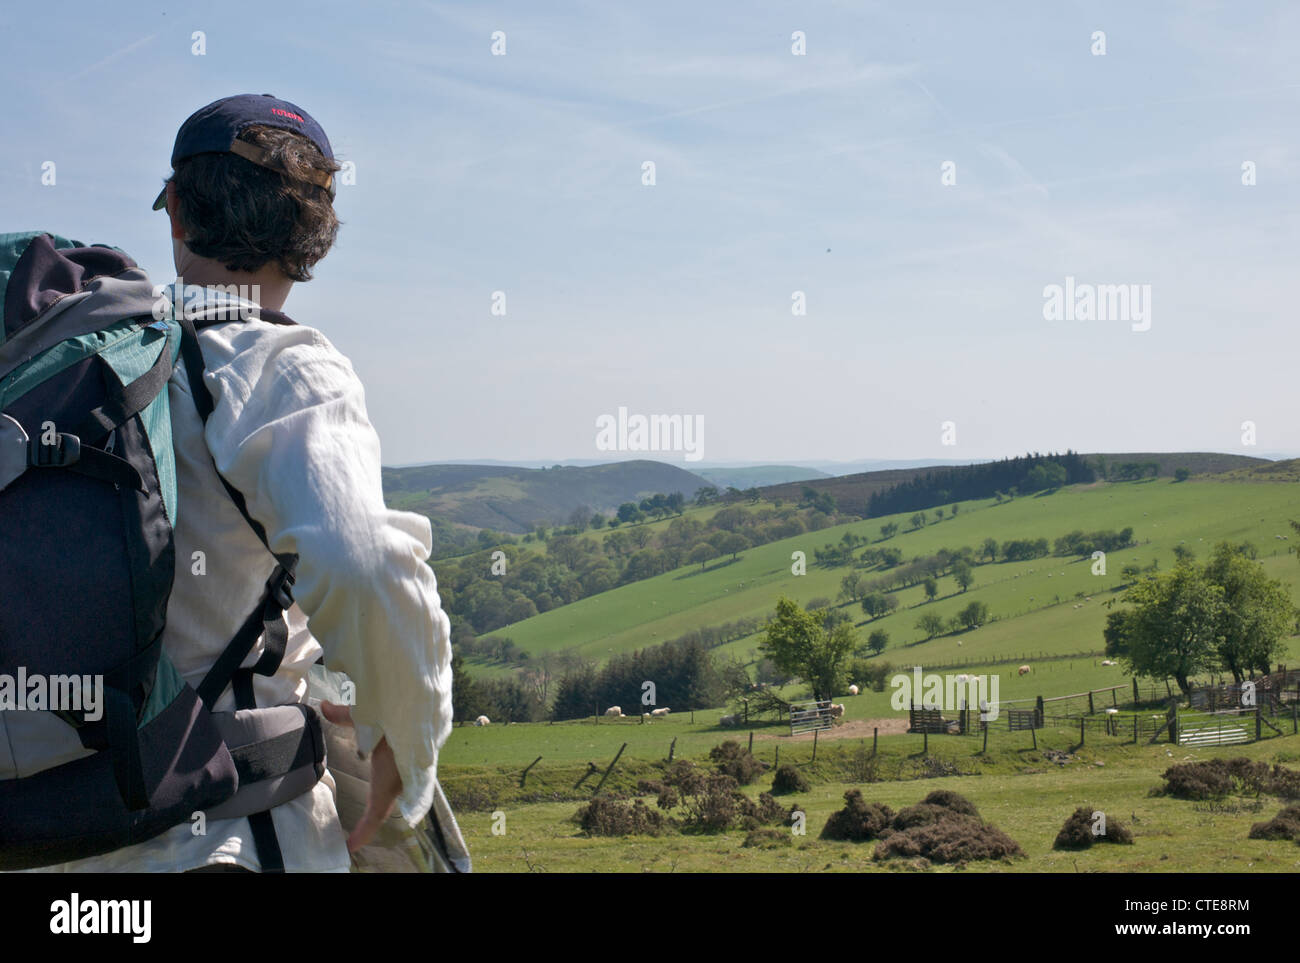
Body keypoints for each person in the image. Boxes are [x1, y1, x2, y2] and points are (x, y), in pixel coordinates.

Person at [46, 93, 453, 872]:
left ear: (175, 216)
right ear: (317, 236)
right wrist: (404, 733)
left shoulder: (78, 365)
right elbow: (363, 560)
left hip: (51, 838)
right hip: (220, 835)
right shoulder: (277, 364)